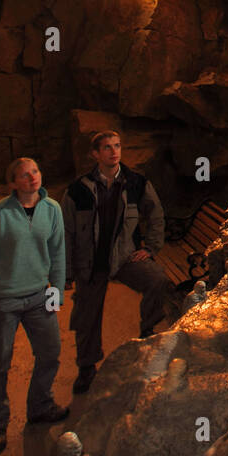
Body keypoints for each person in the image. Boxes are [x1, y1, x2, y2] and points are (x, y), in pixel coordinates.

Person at [0, 157, 69, 453]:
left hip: (38, 296)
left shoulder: (52, 209)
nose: (31, 178)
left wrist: (55, 291)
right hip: (1, 300)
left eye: (34, 171)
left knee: (50, 352)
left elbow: (57, 252)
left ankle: (40, 406)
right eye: (23, 175)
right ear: (12, 184)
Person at [62, 130, 173, 394]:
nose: (114, 151)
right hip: (91, 262)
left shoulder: (136, 183)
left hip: (125, 257)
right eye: (107, 147)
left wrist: (151, 248)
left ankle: (147, 337)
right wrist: (66, 271)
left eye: (117, 146)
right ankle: (86, 368)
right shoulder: (78, 190)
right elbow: (65, 232)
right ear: (95, 154)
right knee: (87, 314)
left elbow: (156, 214)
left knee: (158, 280)